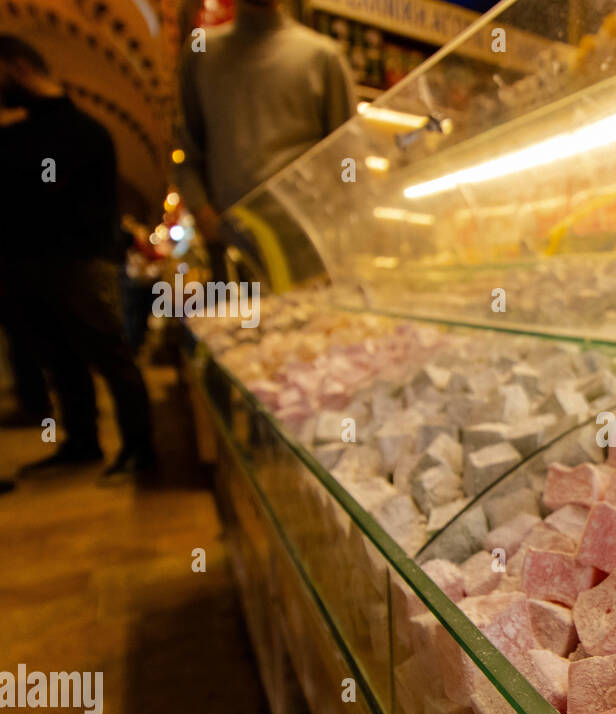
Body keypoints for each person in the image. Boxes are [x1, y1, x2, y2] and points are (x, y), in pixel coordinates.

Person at [0, 35, 155, 478]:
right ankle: (81, 440)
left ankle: (140, 446)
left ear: (16, 67)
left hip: (82, 264)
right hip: (44, 267)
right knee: (61, 359)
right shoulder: (31, 133)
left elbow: (54, 199)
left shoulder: (80, 132)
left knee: (110, 354)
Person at [176, 0, 356, 247]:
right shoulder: (200, 51)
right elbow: (186, 150)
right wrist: (202, 211)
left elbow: (348, 159)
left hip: (305, 248)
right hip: (230, 251)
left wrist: (342, 219)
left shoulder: (323, 56)